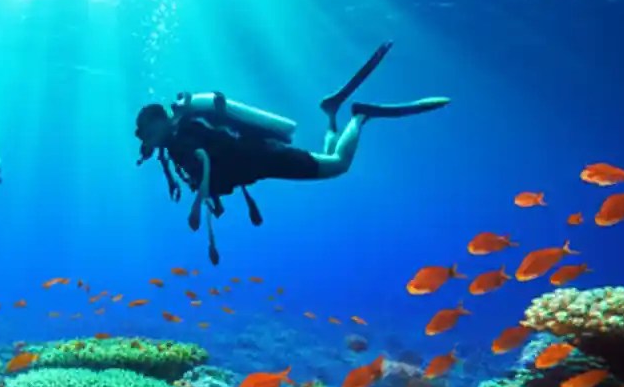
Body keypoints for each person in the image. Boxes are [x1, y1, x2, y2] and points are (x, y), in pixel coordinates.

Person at [134, 41, 449, 263]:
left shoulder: (179, 139)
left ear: (160, 122)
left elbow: (203, 160)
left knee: (339, 165)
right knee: (327, 161)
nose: (146, 140)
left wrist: (197, 203)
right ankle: (331, 112)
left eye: (147, 132)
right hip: (261, 160)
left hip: (264, 159)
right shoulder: (177, 139)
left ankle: (359, 115)